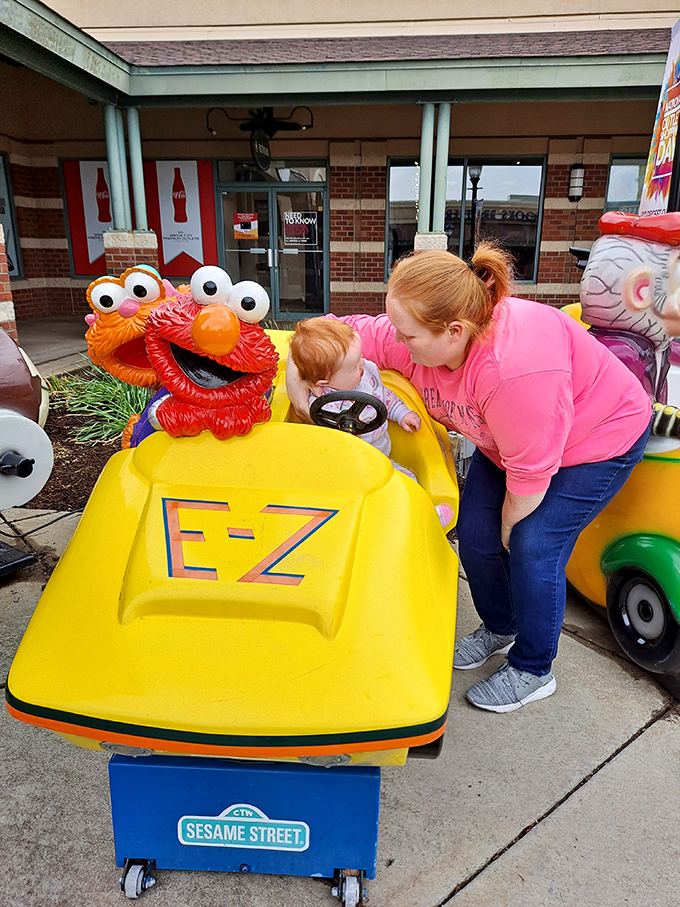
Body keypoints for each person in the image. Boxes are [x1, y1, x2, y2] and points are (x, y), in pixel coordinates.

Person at [286, 243, 652, 713]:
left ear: (454, 331)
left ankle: (534, 668)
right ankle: (501, 626)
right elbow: (337, 337)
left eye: (408, 335)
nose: (396, 342)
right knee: (474, 535)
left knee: (532, 545)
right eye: (394, 327)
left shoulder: (513, 370)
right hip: (509, 442)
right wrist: (299, 384)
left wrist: (509, 526)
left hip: (595, 439)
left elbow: (532, 472)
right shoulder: (421, 329)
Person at [289, 318, 453, 528]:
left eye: (361, 359)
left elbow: (384, 397)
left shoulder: (366, 377)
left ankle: (423, 515)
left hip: (380, 459)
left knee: (408, 479)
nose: (363, 365)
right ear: (324, 382)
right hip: (344, 471)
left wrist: (402, 413)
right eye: (354, 367)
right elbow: (318, 444)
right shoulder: (322, 405)